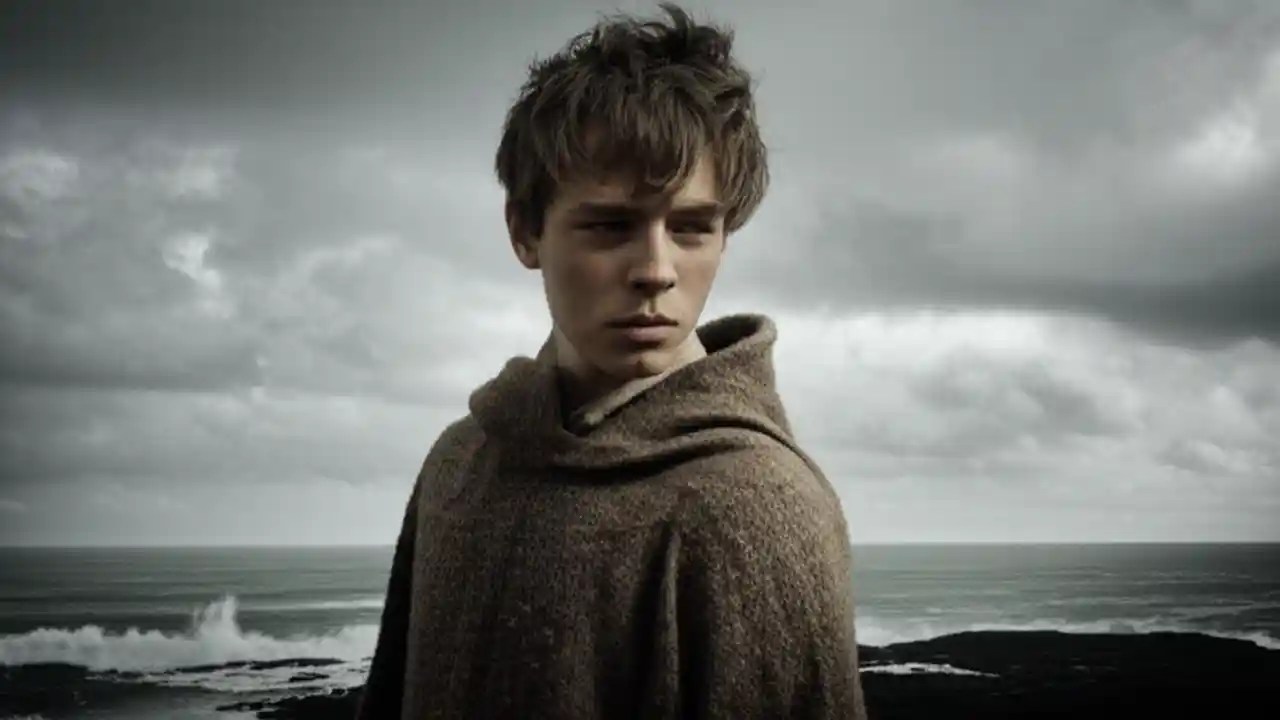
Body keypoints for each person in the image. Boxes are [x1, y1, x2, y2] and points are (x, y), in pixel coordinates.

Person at [354, 3, 866, 718]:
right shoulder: (461, 463)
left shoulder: (755, 506)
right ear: (526, 230)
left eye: (691, 227)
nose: (656, 269)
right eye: (610, 224)